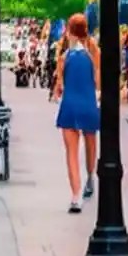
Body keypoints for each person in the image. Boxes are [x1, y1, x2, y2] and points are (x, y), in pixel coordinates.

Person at [53, 14, 100, 213]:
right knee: (91, 143)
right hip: (89, 104)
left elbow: (59, 87)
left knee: (71, 153)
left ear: (69, 31)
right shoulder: (93, 53)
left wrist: (60, 88)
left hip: (70, 106)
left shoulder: (64, 57)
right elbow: (98, 81)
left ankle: (76, 195)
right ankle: (91, 176)